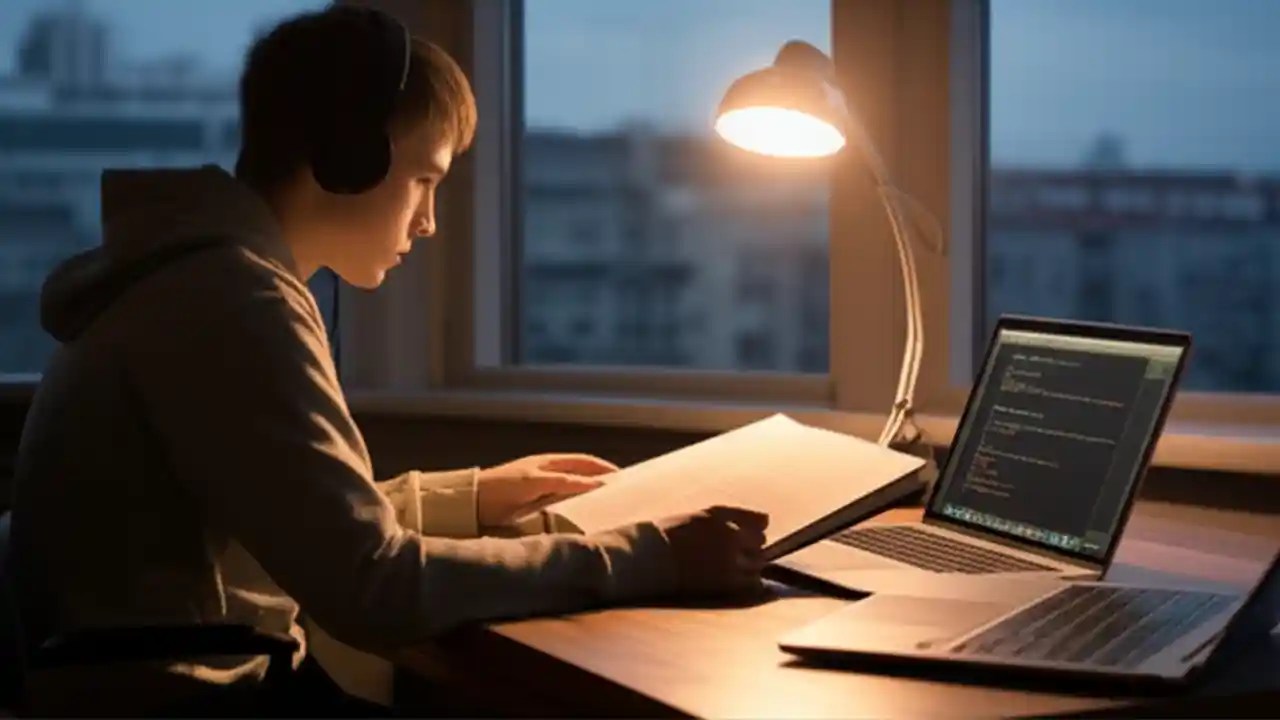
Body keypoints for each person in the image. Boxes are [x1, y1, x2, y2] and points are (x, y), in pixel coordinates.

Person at [7, 5, 768, 716]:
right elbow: (375, 586)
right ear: (347, 157)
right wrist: (649, 556)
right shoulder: (235, 302)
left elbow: (296, 515)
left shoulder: (202, 279)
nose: (431, 220)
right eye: (425, 179)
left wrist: (471, 498)